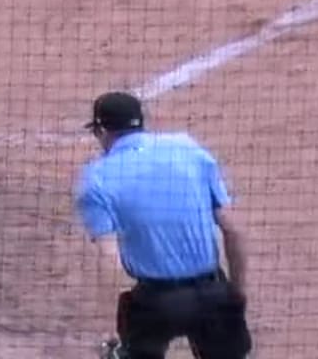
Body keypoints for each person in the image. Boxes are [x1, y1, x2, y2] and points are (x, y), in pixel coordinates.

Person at [74, 92, 252, 359]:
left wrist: (110, 329)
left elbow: (110, 260)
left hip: (153, 303)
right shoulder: (189, 149)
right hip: (213, 292)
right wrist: (236, 293)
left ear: (101, 130)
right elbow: (233, 229)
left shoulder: (95, 179)